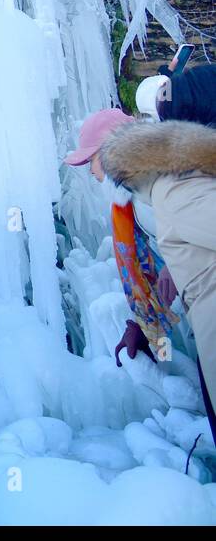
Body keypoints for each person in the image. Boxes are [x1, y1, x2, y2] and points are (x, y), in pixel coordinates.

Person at [64, 109, 216, 440]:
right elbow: (158, 263)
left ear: (112, 150)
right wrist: (143, 326)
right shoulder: (135, 201)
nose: (90, 172)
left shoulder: (169, 185)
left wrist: (178, 269)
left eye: (91, 160)